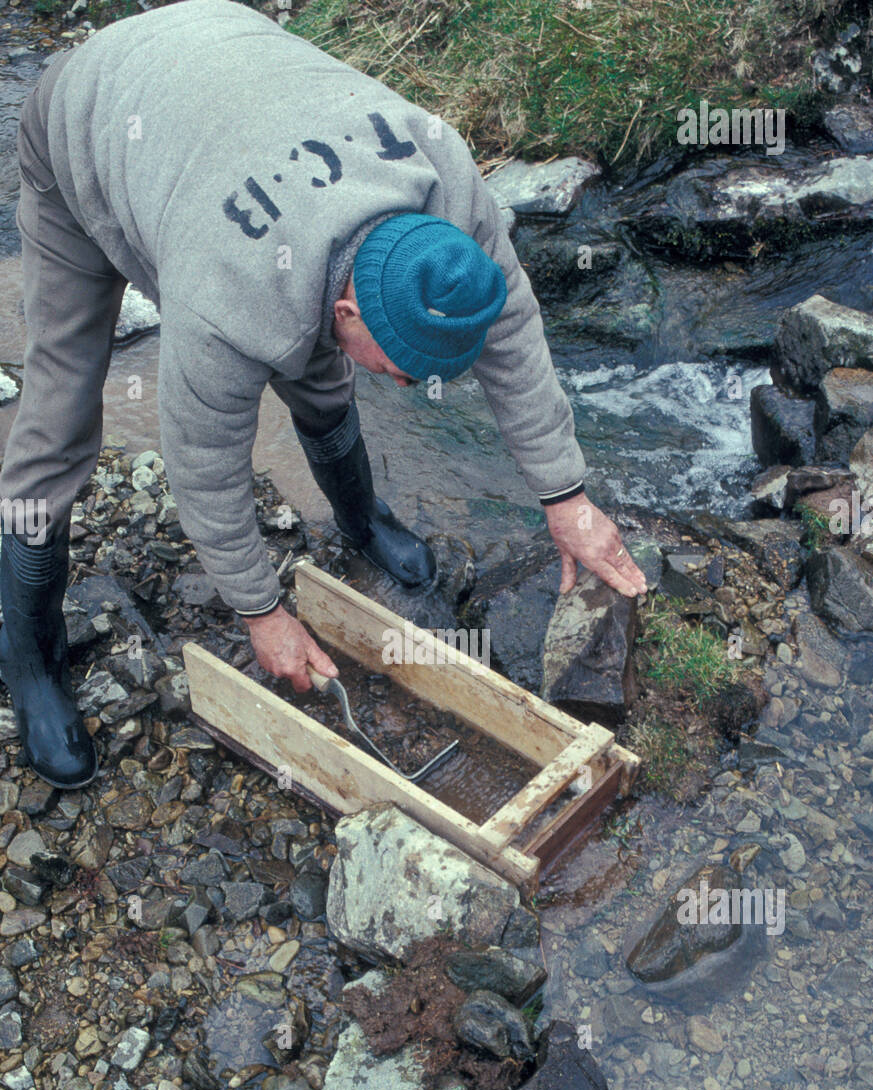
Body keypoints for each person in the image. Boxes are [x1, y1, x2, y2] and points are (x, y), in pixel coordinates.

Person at [0, 0, 646, 790]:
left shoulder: (450, 189)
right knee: (62, 405)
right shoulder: (224, 298)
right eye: (404, 369)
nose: (418, 385)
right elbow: (202, 464)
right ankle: (29, 662)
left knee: (315, 360)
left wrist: (564, 494)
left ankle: (361, 518)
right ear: (346, 309)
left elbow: (511, 331)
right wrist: (260, 611)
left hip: (228, 57)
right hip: (87, 124)